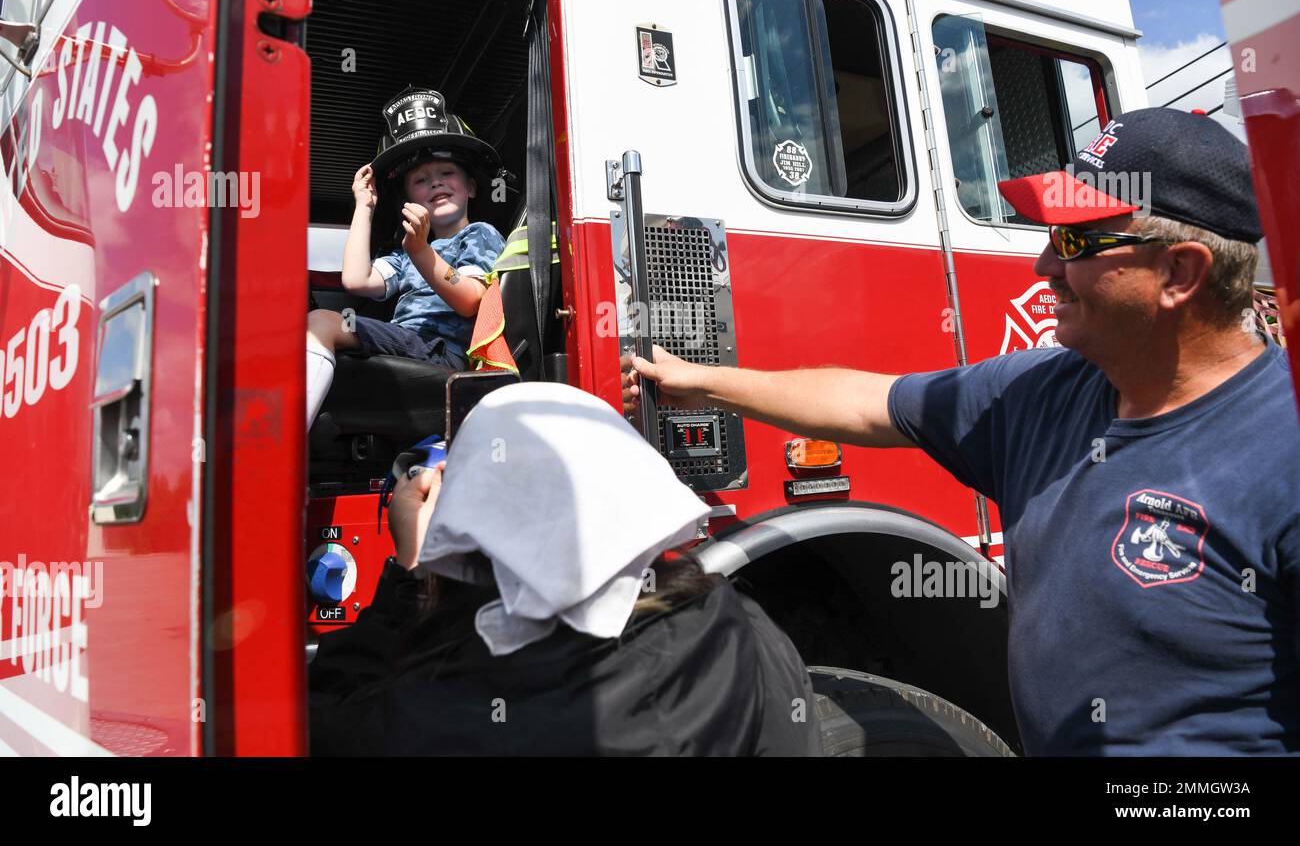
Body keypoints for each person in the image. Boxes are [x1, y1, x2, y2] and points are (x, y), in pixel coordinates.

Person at [626, 108, 1300, 756]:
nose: (1044, 266)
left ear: (1179, 273)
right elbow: (868, 403)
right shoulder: (1041, 392)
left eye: (1073, 240)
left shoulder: (1283, 449)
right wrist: (703, 382)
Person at [308, 382, 821, 756]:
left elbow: (320, 714)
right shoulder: (747, 628)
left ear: (467, 524)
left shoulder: (425, 722)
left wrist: (411, 569)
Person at [306, 87, 506, 428]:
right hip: (407, 341)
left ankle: (280, 449)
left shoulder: (479, 234)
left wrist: (422, 252)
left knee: (323, 322)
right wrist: (364, 206)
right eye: (421, 180)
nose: (436, 183)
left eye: (447, 173)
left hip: (443, 351)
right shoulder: (405, 253)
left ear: (471, 187)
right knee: (315, 323)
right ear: (408, 198)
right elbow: (356, 280)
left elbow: (471, 300)